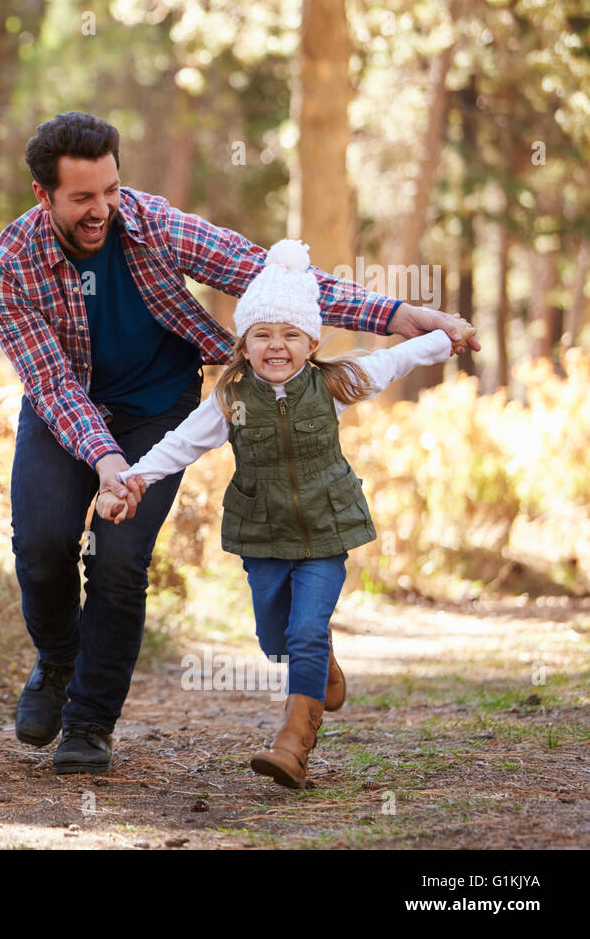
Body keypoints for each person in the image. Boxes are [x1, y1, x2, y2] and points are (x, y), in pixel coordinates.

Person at [0, 111, 479, 776]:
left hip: (158, 407)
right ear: (43, 197)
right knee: (41, 547)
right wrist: (105, 462)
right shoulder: (7, 268)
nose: (103, 210)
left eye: (110, 191)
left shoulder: (152, 224)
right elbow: (54, 386)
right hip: (65, 409)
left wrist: (395, 316)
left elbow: (271, 278)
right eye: (82, 199)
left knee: (121, 558)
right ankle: (57, 661)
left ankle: (90, 723)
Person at [95, 237, 476, 788]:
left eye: (291, 335)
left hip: (326, 530)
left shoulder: (334, 382)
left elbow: (395, 358)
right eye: (263, 335)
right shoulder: (231, 399)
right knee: (276, 637)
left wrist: (447, 337)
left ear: (312, 340)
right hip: (263, 533)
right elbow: (180, 444)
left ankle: (293, 745)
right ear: (245, 344)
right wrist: (131, 478)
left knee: (305, 630)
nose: (278, 346)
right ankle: (321, 664)